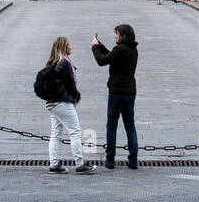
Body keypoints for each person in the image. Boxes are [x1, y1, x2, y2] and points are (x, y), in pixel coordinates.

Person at [42, 37, 96, 174]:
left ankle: (54, 165)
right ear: (64, 47)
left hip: (52, 103)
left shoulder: (51, 62)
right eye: (69, 45)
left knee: (55, 134)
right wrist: (76, 95)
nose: (71, 47)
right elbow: (69, 84)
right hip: (62, 102)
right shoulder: (64, 63)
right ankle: (80, 164)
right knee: (75, 131)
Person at [92, 24, 139, 169]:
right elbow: (112, 56)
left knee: (111, 126)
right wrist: (101, 46)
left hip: (117, 93)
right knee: (130, 126)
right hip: (130, 92)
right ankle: (133, 160)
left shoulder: (120, 49)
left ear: (123, 35)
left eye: (117, 33)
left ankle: (110, 159)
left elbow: (102, 61)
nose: (115, 36)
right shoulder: (132, 49)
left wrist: (94, 47)